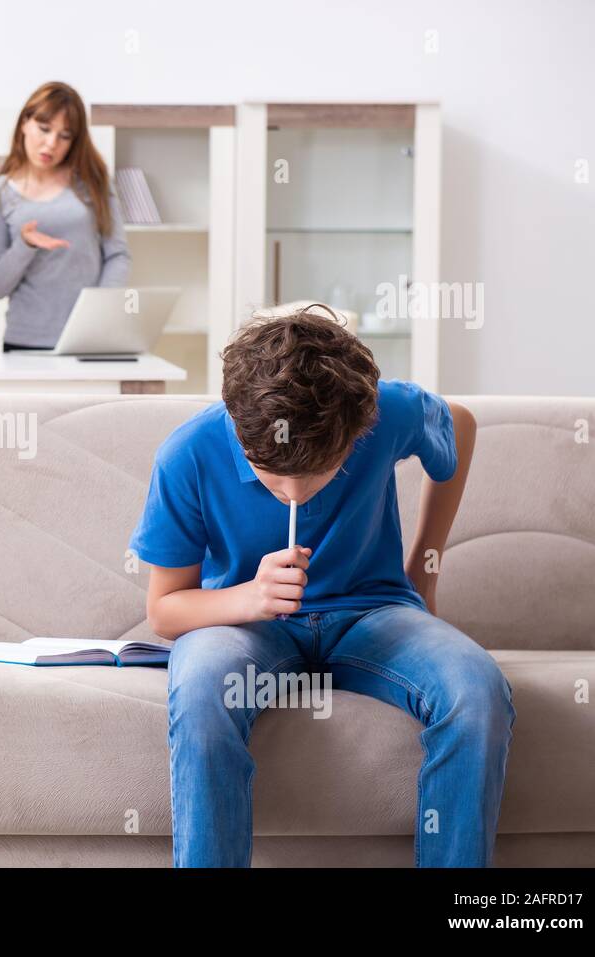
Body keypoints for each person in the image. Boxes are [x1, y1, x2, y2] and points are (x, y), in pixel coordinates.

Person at [129, 305, 516, 867]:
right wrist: (248, 598)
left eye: (317, 470)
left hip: (375, 613)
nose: (291, 491)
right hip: (243, 627)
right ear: (239, 427)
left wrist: (424, 569)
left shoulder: (384, 411)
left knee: (476, 691)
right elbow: (165, 610)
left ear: (357, 430)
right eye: (270, 471)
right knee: (200, 690)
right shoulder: (187, 454)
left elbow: (458, 424)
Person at [0, 82, 130, 350]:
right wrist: (24, 245)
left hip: (88, 338)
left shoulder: (95, 183)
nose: (51, 144)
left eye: (65, 136)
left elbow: (117, 255)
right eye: (44, 129)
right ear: (25, 123)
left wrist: (96, 311)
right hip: (24, 341)